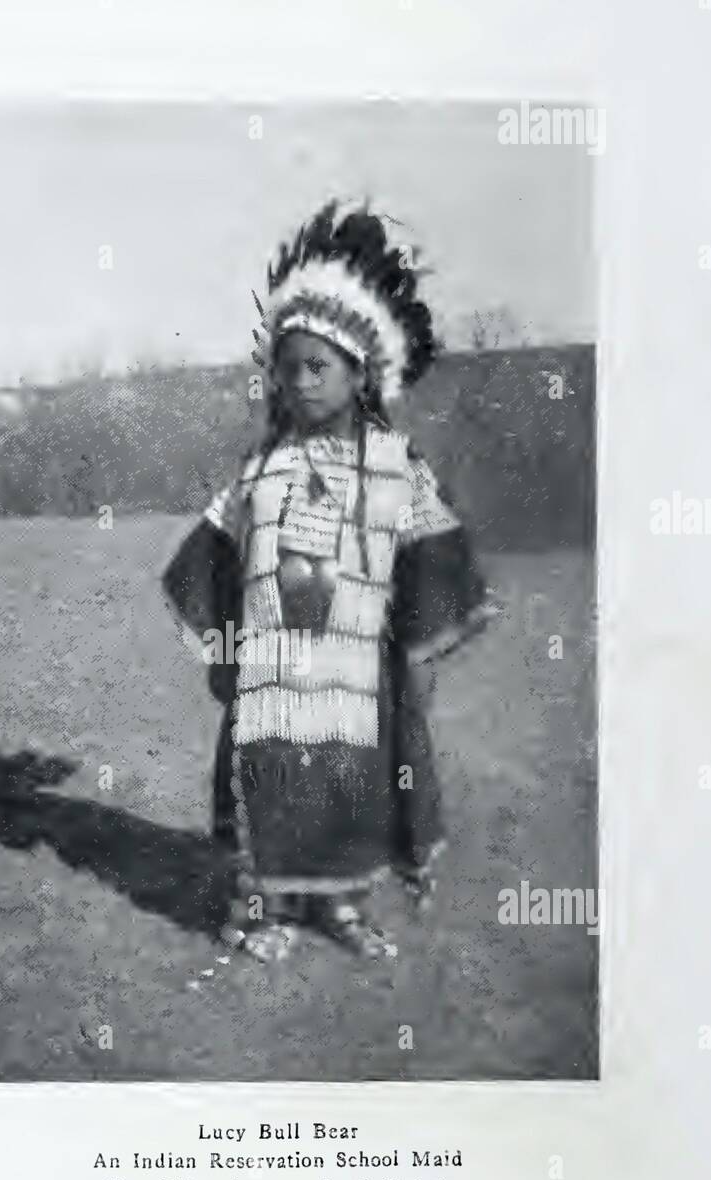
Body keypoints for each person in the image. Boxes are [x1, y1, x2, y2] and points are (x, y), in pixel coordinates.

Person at [163, 201, 494, 963]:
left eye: (317, 366)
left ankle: (341, 907)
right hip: (273, 672)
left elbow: (430, 561)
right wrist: (225, 641)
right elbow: (214, 554)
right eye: (288, 368)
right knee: (274, 781)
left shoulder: (393, 467)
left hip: (353, 673)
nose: (300, 382)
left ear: (360, 372)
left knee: (351, 789)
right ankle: (267, 911)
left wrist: (418, 647)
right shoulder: (262, 469)